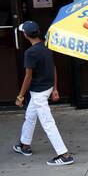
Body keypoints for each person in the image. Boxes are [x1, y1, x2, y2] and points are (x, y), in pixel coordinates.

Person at [12, 22, 73, 165]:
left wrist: (20, 96)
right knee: (30, 116)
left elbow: (28, 77)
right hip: (47, 88)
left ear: (26, 35)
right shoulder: (46, 47)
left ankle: (64, 155)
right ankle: (25, 145)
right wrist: (55, 88)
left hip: (38, 92)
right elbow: (53, 68)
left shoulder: (30, 53)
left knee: (48, 123)